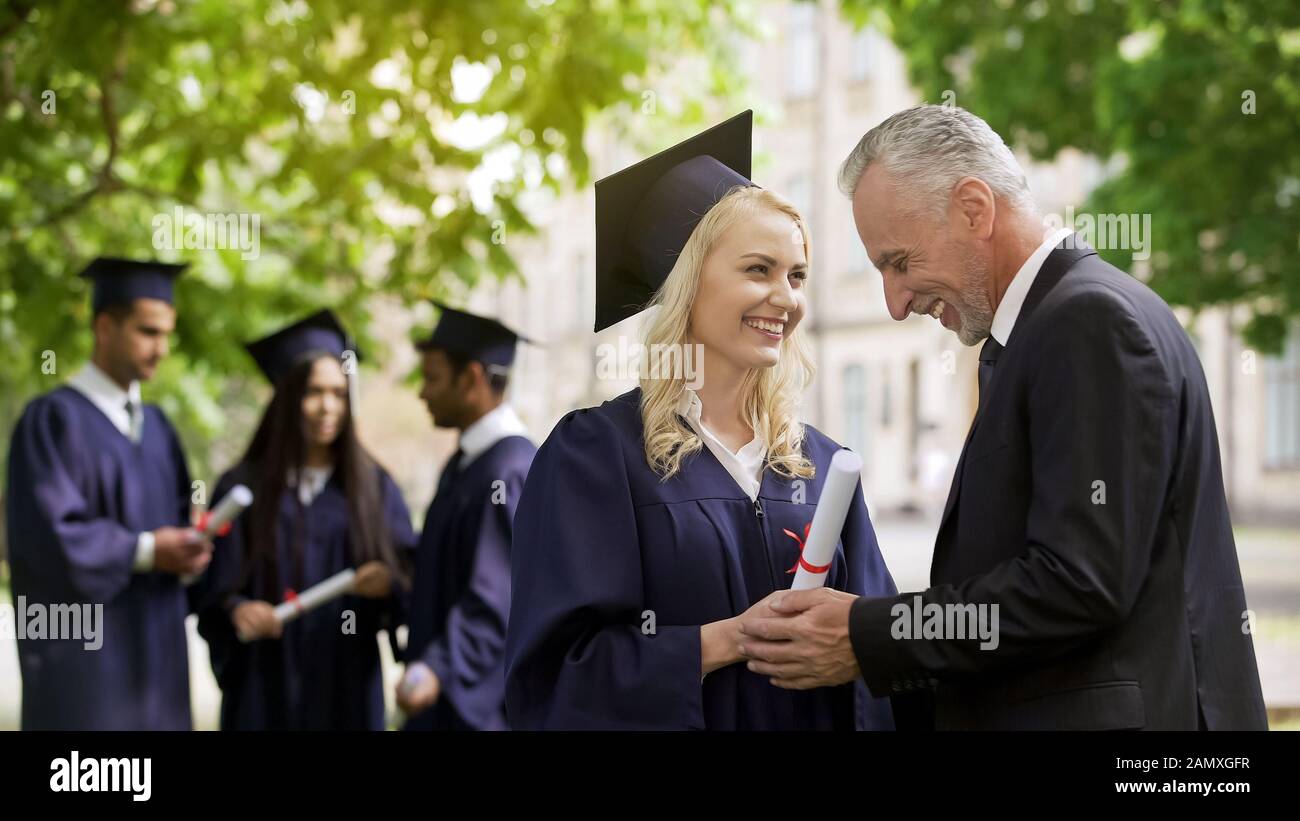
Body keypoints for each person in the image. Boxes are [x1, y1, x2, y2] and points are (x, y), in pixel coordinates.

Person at [738, 104, 1268, 730]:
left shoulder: (1088, 324)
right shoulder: (1049, 329)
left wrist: (867, 634)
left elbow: (1078, 585)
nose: (895, 302)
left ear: (973, 208)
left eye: (900, 262)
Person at [504, 111, 898, 730]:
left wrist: (858, 641)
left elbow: (883, 667)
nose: (786, 298)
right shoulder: (595, 458)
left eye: (796, 275)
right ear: (686, 286)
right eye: (757, 270)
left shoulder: (821, 467)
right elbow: (556, 679)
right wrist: (727, 641)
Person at [6, 257, 208, 730]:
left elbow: (181, 522)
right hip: (86, 665)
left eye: (167, 335)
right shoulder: (52, 422)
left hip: (159, 665)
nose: (161, 349)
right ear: (104, 326)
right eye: (147, 332)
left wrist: (193, 549)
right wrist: (146, 550)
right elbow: (48, 539)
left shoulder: (159, 428)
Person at [193, 310, 415, 730]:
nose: (327, 407)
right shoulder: (244, 487)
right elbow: (211, 589)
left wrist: (388, 583)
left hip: (345, 684)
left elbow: (409, 574)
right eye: (313, 392)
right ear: (287, 398)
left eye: (338, 393)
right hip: (264, 686)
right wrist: (236, 610)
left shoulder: (372, 487)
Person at [396, 304, 536, 731]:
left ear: (472, 378)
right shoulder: (465, 464)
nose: (422, 393)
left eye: (433, 378)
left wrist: (437, 668)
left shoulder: (508, 471)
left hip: (482, 711)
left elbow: (496, 598)